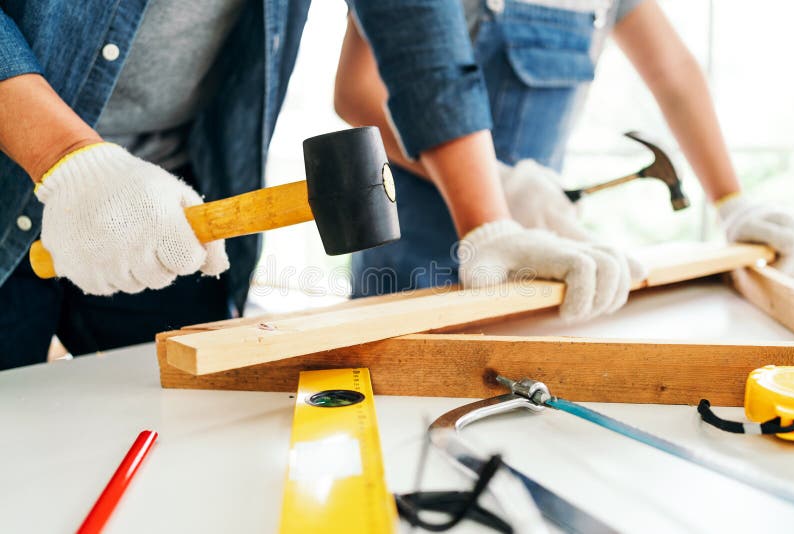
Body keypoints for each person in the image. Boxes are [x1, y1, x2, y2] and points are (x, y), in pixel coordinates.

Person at [0, 0, 499, 369]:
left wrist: (490, 227)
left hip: (167, 212)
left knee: (183, 433)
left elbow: (420, 34)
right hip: (10, 178)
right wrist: (68, 157)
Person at [335, 0, 794, 309]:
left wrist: (730, 201)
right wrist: (502, 186)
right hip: (413, 261)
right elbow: (356, 93)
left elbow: (674, 74)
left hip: (533, 257)